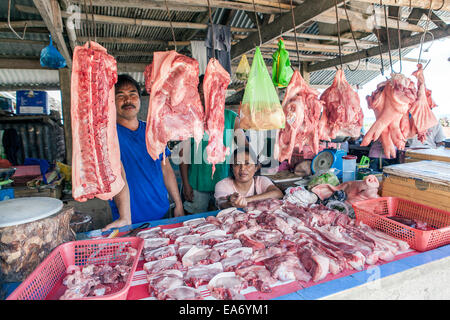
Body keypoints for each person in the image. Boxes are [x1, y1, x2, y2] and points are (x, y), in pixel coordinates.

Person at [102, 74, 184, 231]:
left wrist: (178, 204)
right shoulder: (108, 135)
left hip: (162, 212)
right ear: (112, 101)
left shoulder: (152, 130)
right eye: (121, 96)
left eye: (133, 94)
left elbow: (166, 169)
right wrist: (125, 217)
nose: (128, 100)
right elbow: (119, 175)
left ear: (139, 100)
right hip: (128, 220)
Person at [179, 74, 245, 214]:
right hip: (197, 186)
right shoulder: (191, 120)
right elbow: (183, 156)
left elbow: (244, 148)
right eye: (201, 93)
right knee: (195, 223)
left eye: (209, 92)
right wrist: (185, 185)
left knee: (224, 221)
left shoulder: (232, 119)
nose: (205, 97)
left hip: (225, 184)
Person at [214, 146, 283, 209]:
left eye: (247, 163)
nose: (242, 168)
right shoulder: (223, 185)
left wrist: (246, 200)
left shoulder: (261, 181)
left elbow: (278, 193)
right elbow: (221, 203)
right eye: (237, 164)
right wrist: (231, 202)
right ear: (232, 168)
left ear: (256, 167)